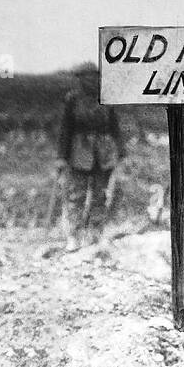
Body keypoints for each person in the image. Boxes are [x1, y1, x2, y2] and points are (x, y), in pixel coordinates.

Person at [52, 63, 124, 248]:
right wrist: (61, 157)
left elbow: (115, 128)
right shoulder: (73, 100)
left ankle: (94, 234)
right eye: (85, 77)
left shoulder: (107, 97)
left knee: (100, 195)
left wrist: (121, 153)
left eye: (93, 77)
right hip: (79, 152)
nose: (89, 81)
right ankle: (74, 236)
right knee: (76, 195)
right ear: (80, 79)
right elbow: (65, 130)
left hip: (104, 153)